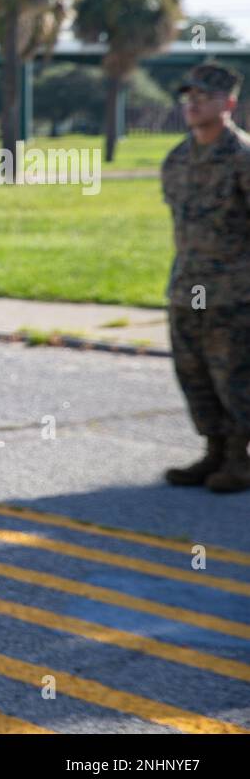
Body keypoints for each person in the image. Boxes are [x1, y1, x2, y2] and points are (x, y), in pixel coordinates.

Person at [161, 62, 250, 494]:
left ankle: (239, 458)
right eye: (189, 97)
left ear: (229, 103)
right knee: (193, 374)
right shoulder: (177, 159)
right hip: (186, 289)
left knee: (234, 376)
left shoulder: (242, 158)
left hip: (235, 292)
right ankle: (213, 451)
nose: (193, 104)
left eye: (203, 97)